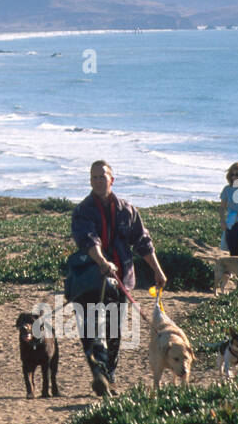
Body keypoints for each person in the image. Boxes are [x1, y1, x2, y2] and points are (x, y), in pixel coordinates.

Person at [69, 160, 168, 397]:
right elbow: (88, 240)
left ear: (112, 179)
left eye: (102, 177)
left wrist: (157, 269)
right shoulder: (82, 211)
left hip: (120, 281)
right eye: (93, 178)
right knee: (91, 330)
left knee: (115, 331)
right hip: (88, 281)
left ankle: (108, 376)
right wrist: (102, 263)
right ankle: (99, 374)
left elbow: (143, 241)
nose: (98, 181)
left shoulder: (127, 210)